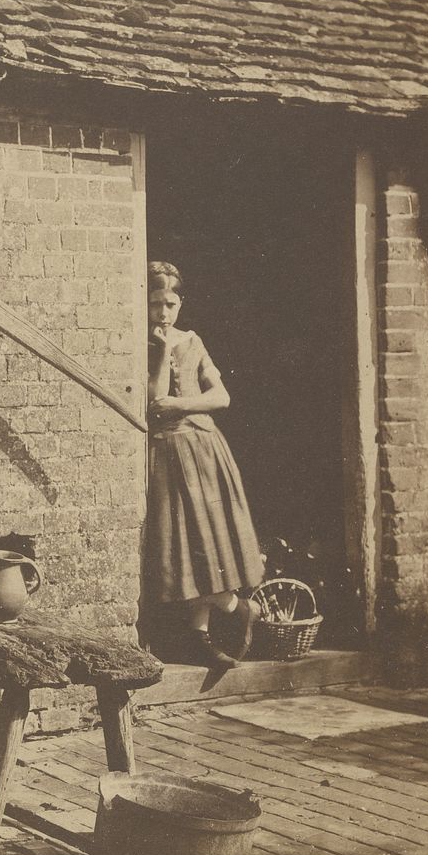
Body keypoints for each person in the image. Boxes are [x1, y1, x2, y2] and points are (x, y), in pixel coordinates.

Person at [144, 261, 263, 668]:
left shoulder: (193, 341)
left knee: (207, 542)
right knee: (180, 546)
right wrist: (160, 353)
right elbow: (154, 402)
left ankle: (203, 633)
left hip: (204, 448)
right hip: (167, 449)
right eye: (156, 303)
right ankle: (233, 609)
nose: (163, 312)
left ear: (181, 303)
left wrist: (182, 403)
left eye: (171, 304)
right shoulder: (141, 343)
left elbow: (221, 397)